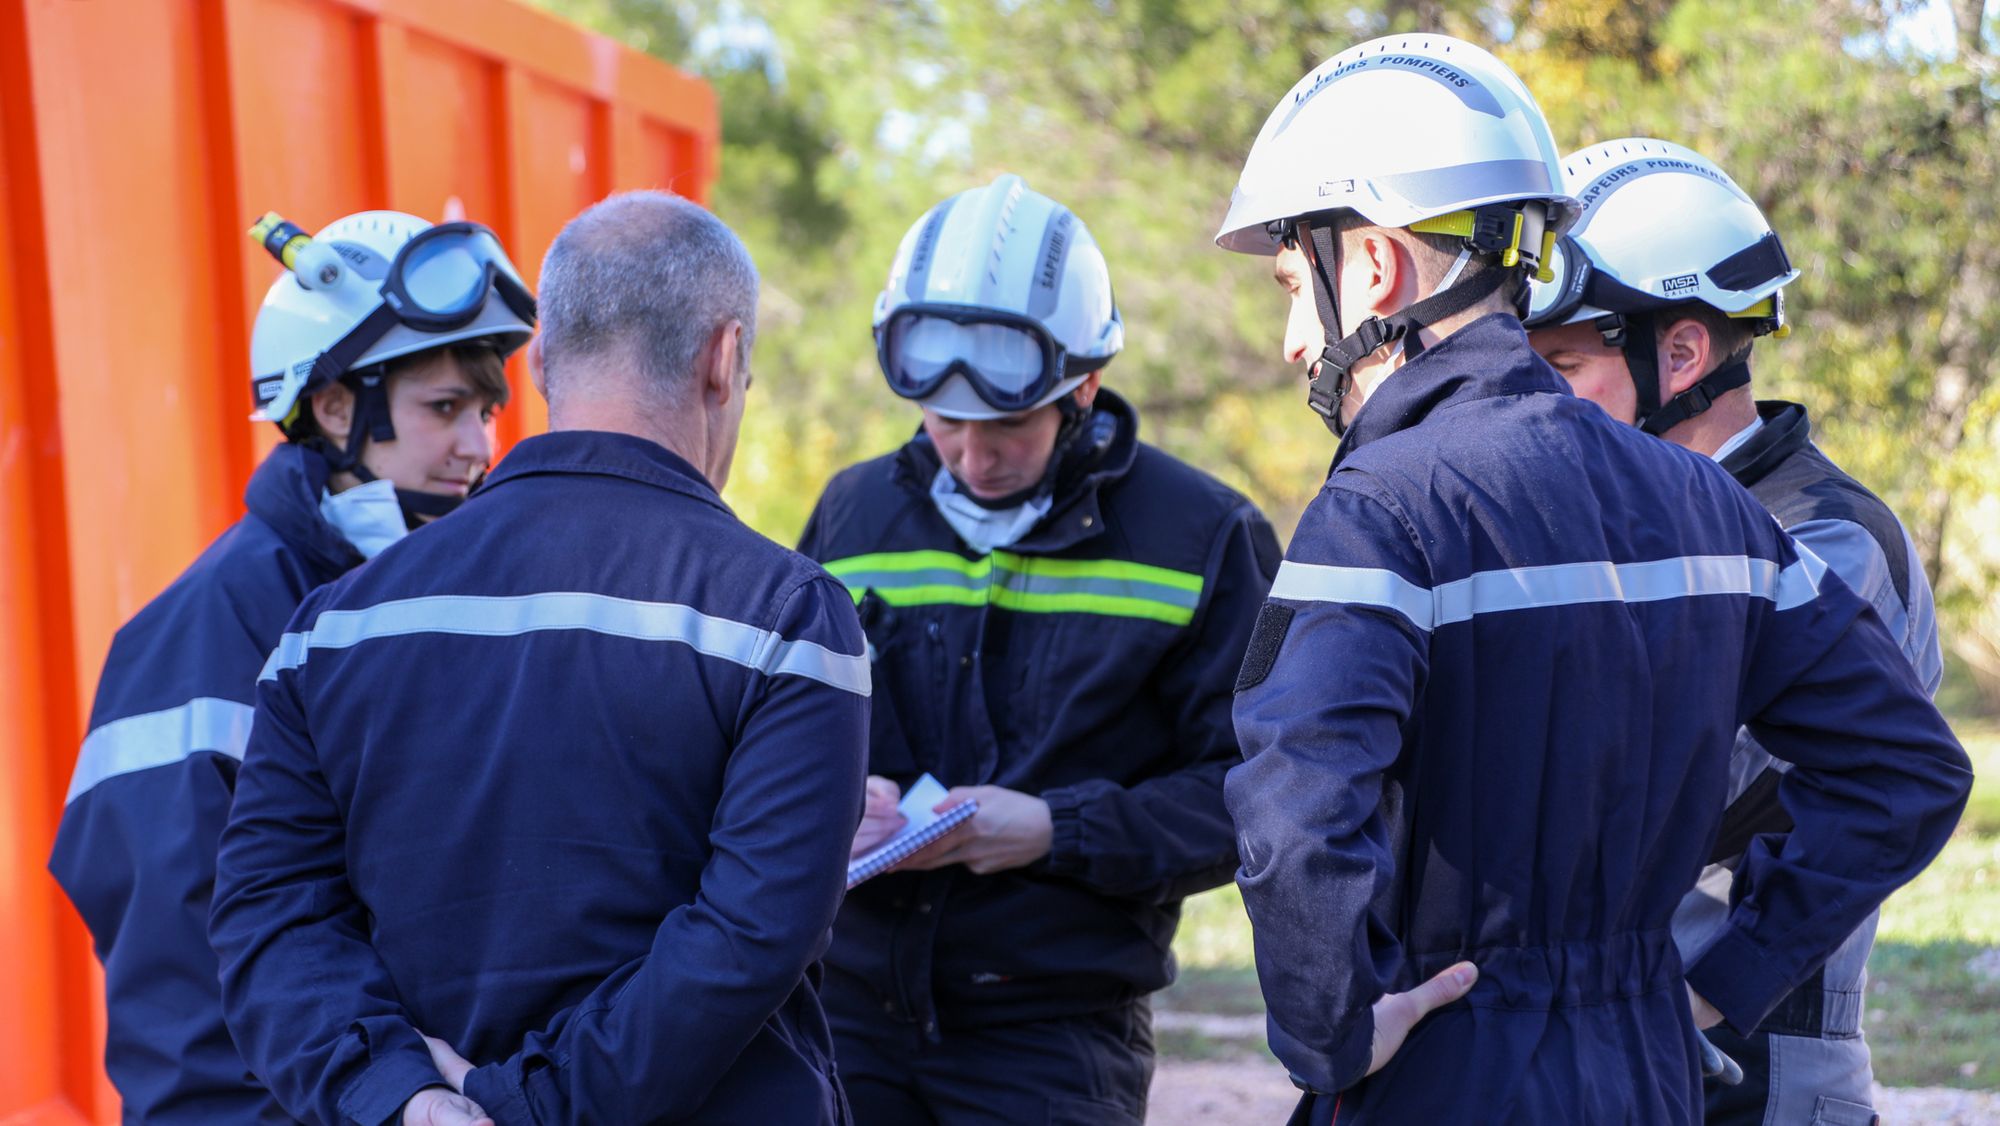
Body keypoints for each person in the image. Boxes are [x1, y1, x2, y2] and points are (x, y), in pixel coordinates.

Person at [1214, 34, 1972, 1124]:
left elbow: (1292, 813)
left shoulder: (1378, 509)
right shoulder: (1705, 499)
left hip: (1442, 1069)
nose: (1294, 340)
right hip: (1649, 1071)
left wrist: (1332, 1031)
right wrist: (1722, 981)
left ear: (1372, 266)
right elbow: (1905, 770)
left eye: (1294, 284)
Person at [208, 191, 870, 1126]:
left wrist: (408, 1100)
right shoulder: (787, 617)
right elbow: (749, 936)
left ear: (547, 360)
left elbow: (270, 918)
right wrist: (526, 1107)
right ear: (725, 359)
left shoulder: (331, 628)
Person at [799, 173, 1280, 1125]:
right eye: (945, 423)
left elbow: (1256, 790)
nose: (973, 457)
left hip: (1054, 1040)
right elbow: (777, 730)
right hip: (846, 1021)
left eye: (1008, 426)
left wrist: (1058, 829)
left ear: (1085, 385)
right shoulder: (852, 514)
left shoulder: (1204, 537)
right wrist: (832, 793)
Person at [47, 208, 530, 1123]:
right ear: (337, 406)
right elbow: (185, 995)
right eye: (444, 409)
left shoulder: (440, 599)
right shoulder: (207, 631)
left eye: (486, 409)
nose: (479, 446)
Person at [1524, 137, 1944, 1125]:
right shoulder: (1601, 528)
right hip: (1593, 1051)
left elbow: (1697, 788)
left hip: (1744, 1066)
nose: (1531, 400)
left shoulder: (1824, 540)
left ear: (1679, 351)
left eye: (1559, 363)